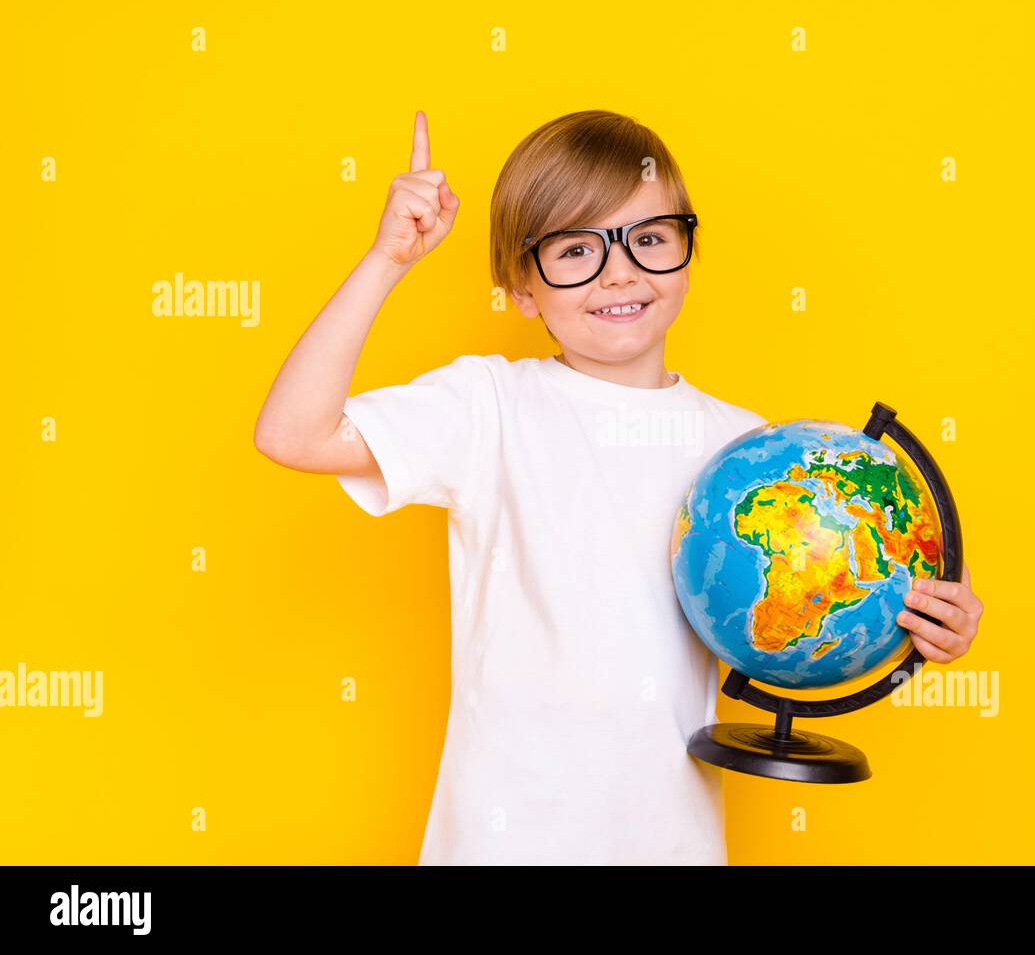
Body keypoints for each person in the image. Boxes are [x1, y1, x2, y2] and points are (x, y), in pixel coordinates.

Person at [253, 110, 983, 865]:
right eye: (575, 249)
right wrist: (386, 261)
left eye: (650, 238)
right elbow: (293, 434)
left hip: (669, 844)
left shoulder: (751, 452)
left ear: (687, 252)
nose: (619, 272)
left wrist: (918, 629)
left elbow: (790, 623)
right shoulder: (488, 408)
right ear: (523, 289)